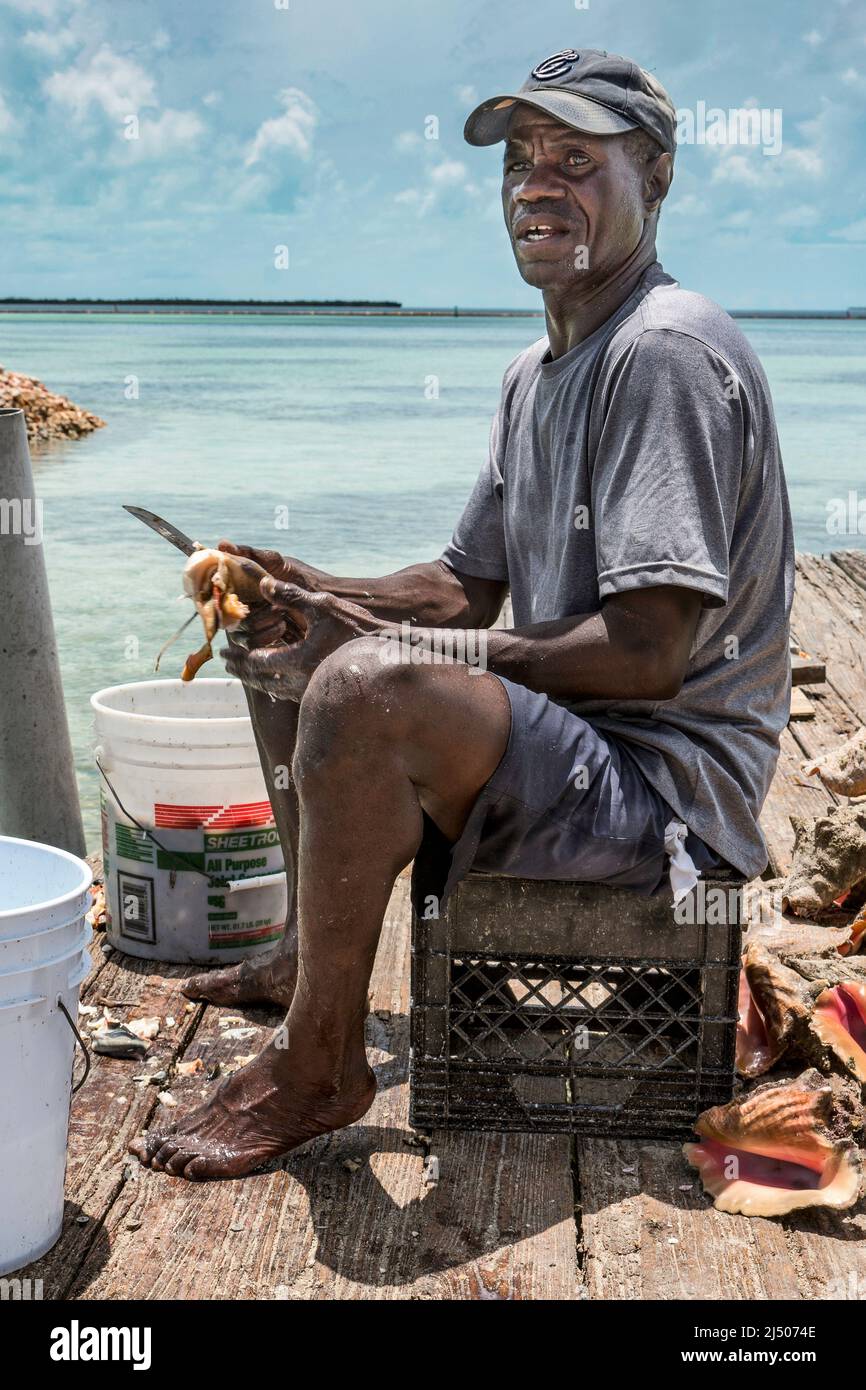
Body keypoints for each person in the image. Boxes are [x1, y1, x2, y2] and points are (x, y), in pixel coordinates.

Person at [131, 48, 793, 1180]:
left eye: (576, 161)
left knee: (361, 681)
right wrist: (312, 585)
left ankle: (319, 1064)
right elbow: (459, 581)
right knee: (277, 640)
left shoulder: (665, 353)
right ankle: (304, 960)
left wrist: (386, 650)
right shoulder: (536, 371)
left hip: (667, 808)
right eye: (521, 163)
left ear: (658, 175)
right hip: (576, 755)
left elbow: (643, 657)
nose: (537, 185)